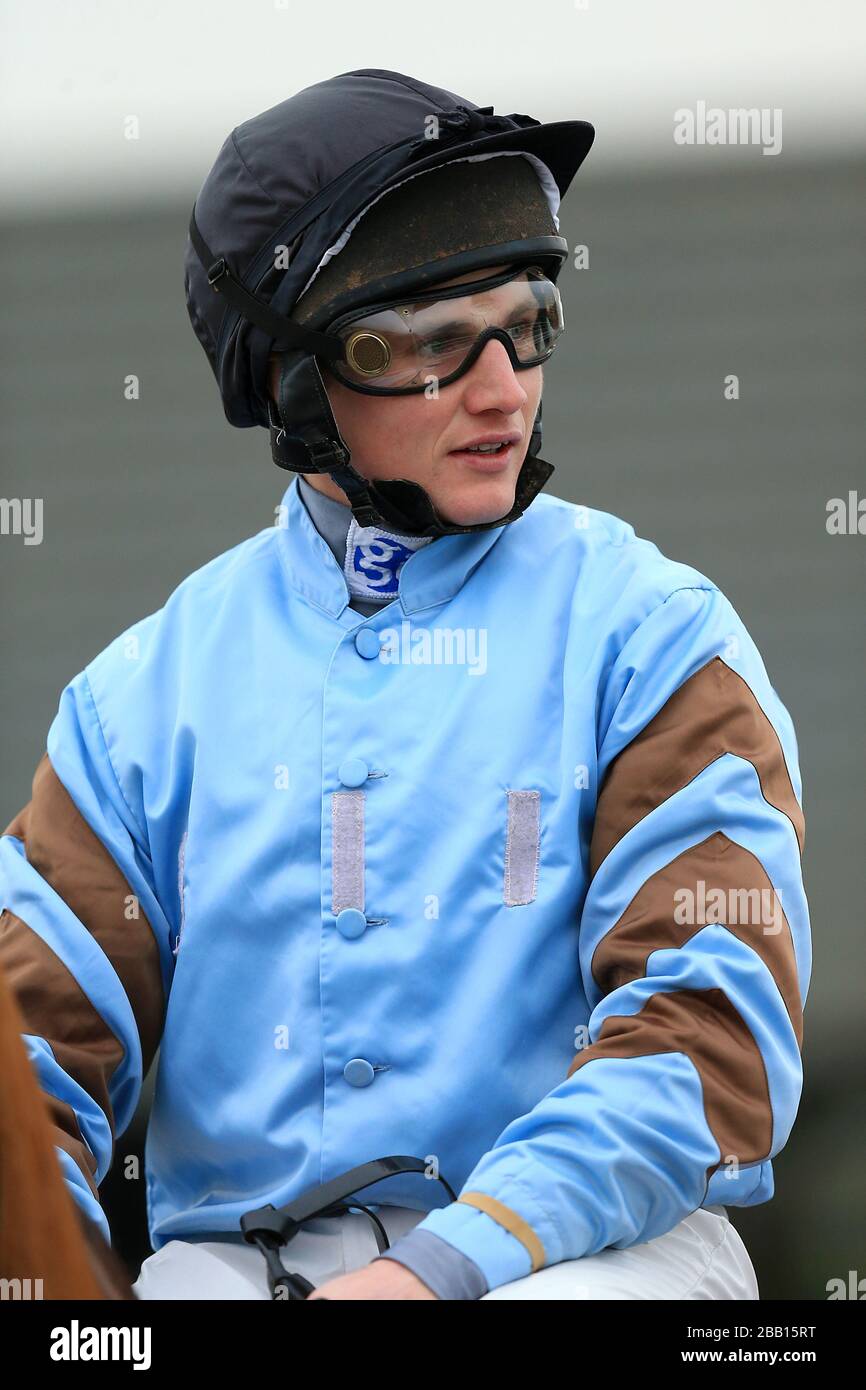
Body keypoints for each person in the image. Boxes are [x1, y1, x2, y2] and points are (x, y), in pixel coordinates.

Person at [0, 69, 809, 1301]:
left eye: (523, 322)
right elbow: (28, 1075)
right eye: (426, 346)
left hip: (584, 1258)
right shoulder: (133, 708)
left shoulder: (655, 638)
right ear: (290, 384)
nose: (501, 391)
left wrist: (440, 1265)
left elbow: (710, 1041)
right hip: (226, 1273)